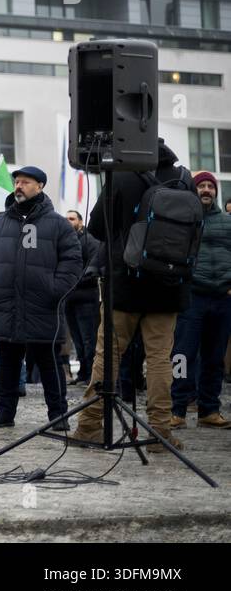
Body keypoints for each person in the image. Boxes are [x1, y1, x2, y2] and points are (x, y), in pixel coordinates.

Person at [71, 141, 193, 452]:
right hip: (169, 286)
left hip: (125, 283)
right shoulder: (183, 177)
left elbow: (97, 226)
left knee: (107, 358)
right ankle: (161, 433)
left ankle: (88, 425)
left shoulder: (122, 176)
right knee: (159, 361)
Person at [0, 166, 81, 430]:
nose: (19, 186)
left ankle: (58, 415)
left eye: (26, 182)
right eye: (17, 181)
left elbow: (72, 261)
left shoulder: (57, 223)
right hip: (6, 305)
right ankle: (4, 413)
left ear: (40, 186)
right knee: (7, 362)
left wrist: (54, 289)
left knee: (49, 363)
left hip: (42, 306)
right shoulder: (0, 223)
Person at [171, 171, 231, 429]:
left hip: (223, 298)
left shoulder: (228, 222)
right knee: (182, 356)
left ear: (216, 191)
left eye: (210, 186)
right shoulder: (184, 220)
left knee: (215, 357)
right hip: (192, 297)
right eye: (201, 186)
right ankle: (178, 409)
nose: (206, 190)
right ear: (194, 190)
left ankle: (209, 409)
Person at [64, 209, 103, 385]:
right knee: (77, 339)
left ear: (80, 221)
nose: (68, 221)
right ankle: (82, 373)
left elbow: (92, 269)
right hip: (70, 298)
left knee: (88, 339)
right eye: (66, 219)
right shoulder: (66, 240)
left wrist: (71, 281)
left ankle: (90, 375)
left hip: (86, 298)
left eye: (72, 218)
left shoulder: (90, 241)